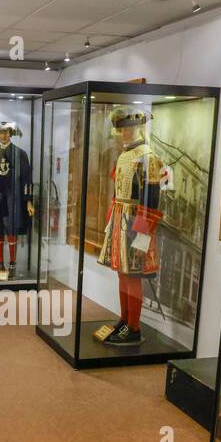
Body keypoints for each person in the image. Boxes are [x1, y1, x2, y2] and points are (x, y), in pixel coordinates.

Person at [94, 106, 164, 347]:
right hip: (120, 219)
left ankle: (134, 326)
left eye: (127, 129)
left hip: (136, 222)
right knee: (122, 273)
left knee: (133, 275)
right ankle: (124, 320)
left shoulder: (148, 156)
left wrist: (143, 234)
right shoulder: (124, 155)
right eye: (121, 129)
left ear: (138, 128)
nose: (123, 133)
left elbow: (152, 198)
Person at [0, 120, 33, 276]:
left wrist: (29, 201)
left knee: (11, 229)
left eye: (6, 132)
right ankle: (0, 264)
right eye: (0, 132)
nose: (3, 135)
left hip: (14, 198)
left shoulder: (21, 154)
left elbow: (27, 180)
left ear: (11, 134)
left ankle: (12, 263)